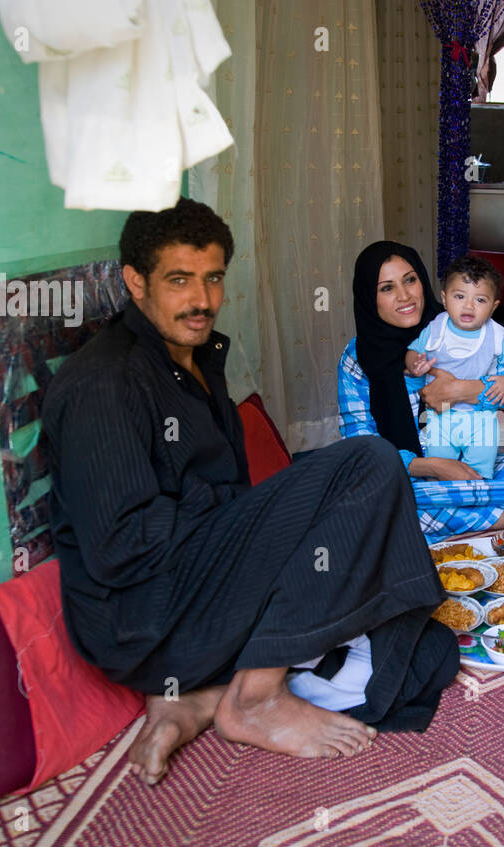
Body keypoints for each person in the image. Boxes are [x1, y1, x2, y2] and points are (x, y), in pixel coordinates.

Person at [43, 199, 458, 784]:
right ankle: (255, 696)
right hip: (143, 620)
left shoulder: (194, 358)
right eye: (179, 280)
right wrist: (257, 522)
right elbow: (123, 549)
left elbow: (224, 496)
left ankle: (198, 699)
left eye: (212, 278)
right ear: (136, 281)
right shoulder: (104, 386)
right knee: (368, 462)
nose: (201, 300)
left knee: (425, 646)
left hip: (195, 588)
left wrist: (261, 520)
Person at [339, 240, 504, 541]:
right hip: (404, 473)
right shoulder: (357, 358)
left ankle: (459, 517)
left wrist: (461, 390)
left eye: (410, 280)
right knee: (366, 504)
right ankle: (499, 519)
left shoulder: (454, 327)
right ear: (370, 297)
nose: (405, 296)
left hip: (470, 457)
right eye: (387, 288)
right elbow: (360, 446)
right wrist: (432, 465)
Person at [404, 255, 504, 480]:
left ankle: (478, 494)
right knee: (439, 470)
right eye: (459, 296)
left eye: (480, 300)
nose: (469, 305)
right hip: (439, 418)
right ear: (444, 298)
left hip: (481, 419)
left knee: (480, 473)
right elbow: (413, 351)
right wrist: (415, 364)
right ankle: (444, 500)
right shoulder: (436, 329)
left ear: (493, 307)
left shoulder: (496, 333)